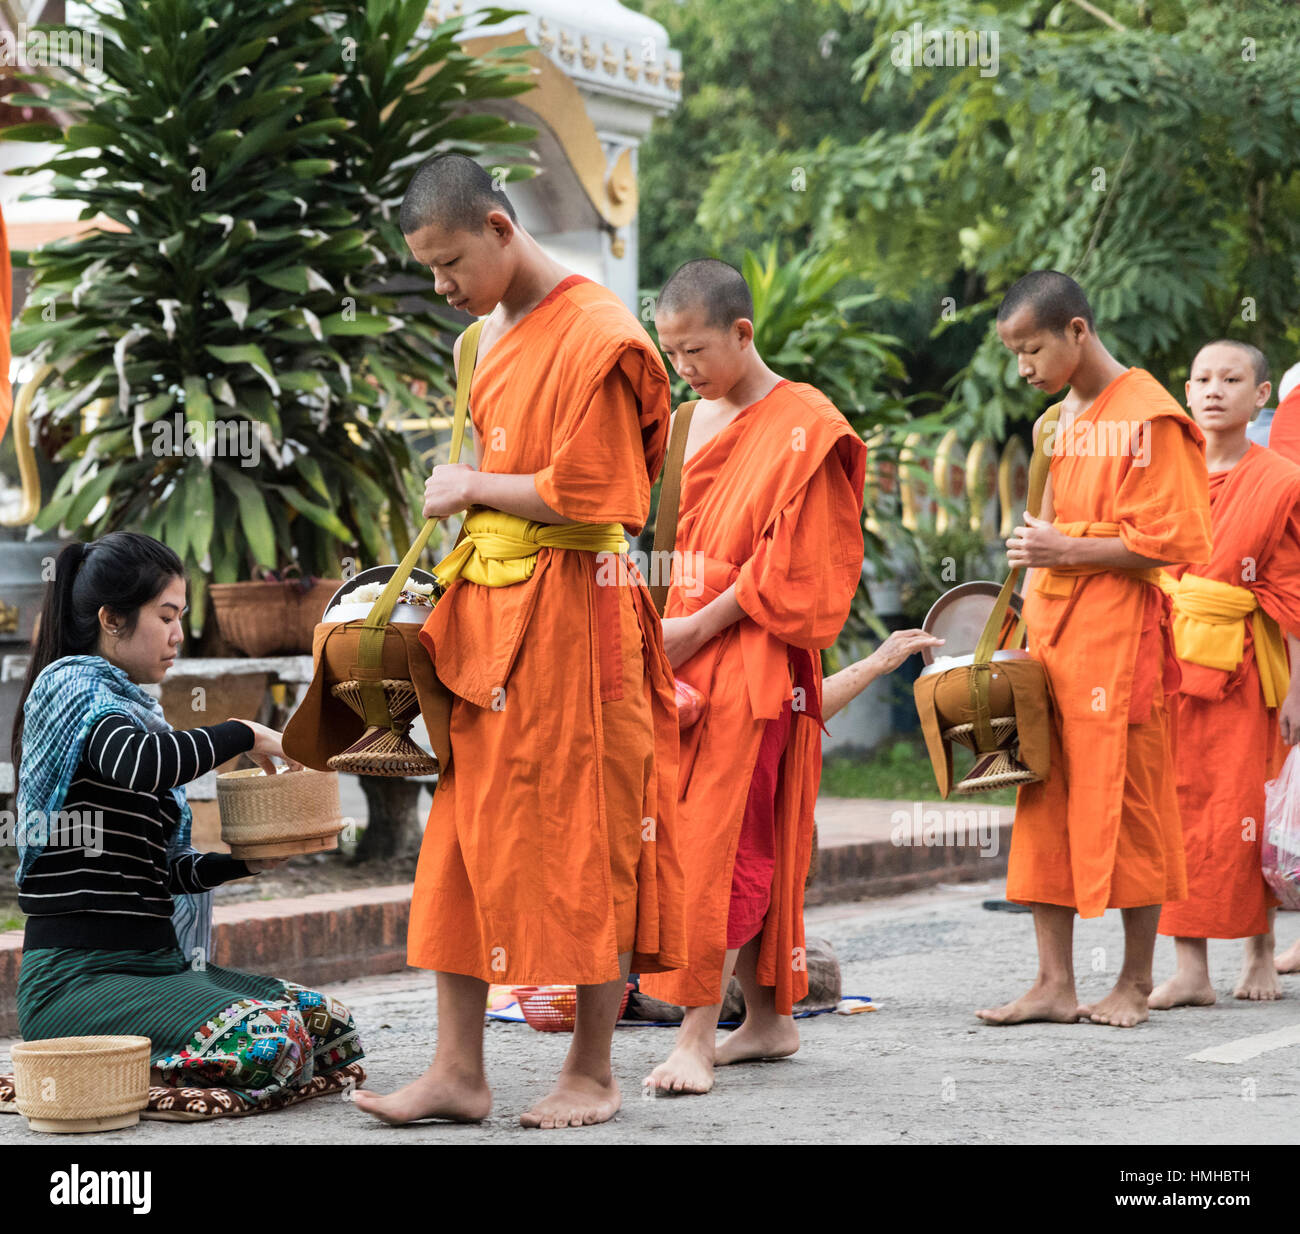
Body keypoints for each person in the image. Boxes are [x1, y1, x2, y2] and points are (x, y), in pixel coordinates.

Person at [352, 154, 685, 1130]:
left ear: (500, 227)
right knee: (461, 839)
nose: (443, 285)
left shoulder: (601, 334)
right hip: (487, 617)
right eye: (429, 268)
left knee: (590, 832)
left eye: (451, 261)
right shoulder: (480, 340)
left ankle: (592, 1071)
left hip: (580, 611)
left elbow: (606, 495)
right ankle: (458, 1070)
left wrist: (469, 488)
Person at [11, 533, 364, 1111]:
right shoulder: (70, 686)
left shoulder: (132, 710)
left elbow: (162, 873)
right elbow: (146, 765)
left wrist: (245, 863)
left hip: (154, 968)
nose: (178, 635)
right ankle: (91, 1067)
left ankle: (143, 1063)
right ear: (112, 620)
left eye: (182, 618)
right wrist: (244, 732)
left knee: (329, 1025)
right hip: (75, 983)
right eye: (166, 616)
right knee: (272, 1042)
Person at [638, 259, 867, 1095]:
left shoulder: (806, 423)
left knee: (722, 839)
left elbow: (803, 565)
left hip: (753, 647)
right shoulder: (690, 420)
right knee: (705, 832)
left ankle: (698, 1035)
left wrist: (697, 624)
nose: (683, 369)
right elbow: (663, 536)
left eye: (695, 350)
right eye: (671, 353)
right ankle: (767, 1022)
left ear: (742, 332)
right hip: (678, 645)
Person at [976, 270, 1212, 1029]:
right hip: (1052, 638)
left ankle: (1136, 983)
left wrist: (1064, 549)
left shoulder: (1151, 417)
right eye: (1014, 354)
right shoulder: (1055, 424)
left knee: (1132, 804)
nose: (1024, 368)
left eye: (1032, 348)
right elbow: (1043, 541)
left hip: (1121, 644)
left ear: (1077, 331)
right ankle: (1052, 982)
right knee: (1042, 799)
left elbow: (1175, 544)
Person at [1148, 341, 1300, 1007]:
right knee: (1174, 814)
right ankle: (1189, 969)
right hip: (1170, 667)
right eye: (1204, 379)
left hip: (1246, 671)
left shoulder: (1282, 481)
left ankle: (1261, 951)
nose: (1215, 390)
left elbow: (1294, 594)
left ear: (1260, 395)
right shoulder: (1163, 474)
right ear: (1187, 392)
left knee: (1244, 815)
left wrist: (1298, 688)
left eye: (1232, 379)